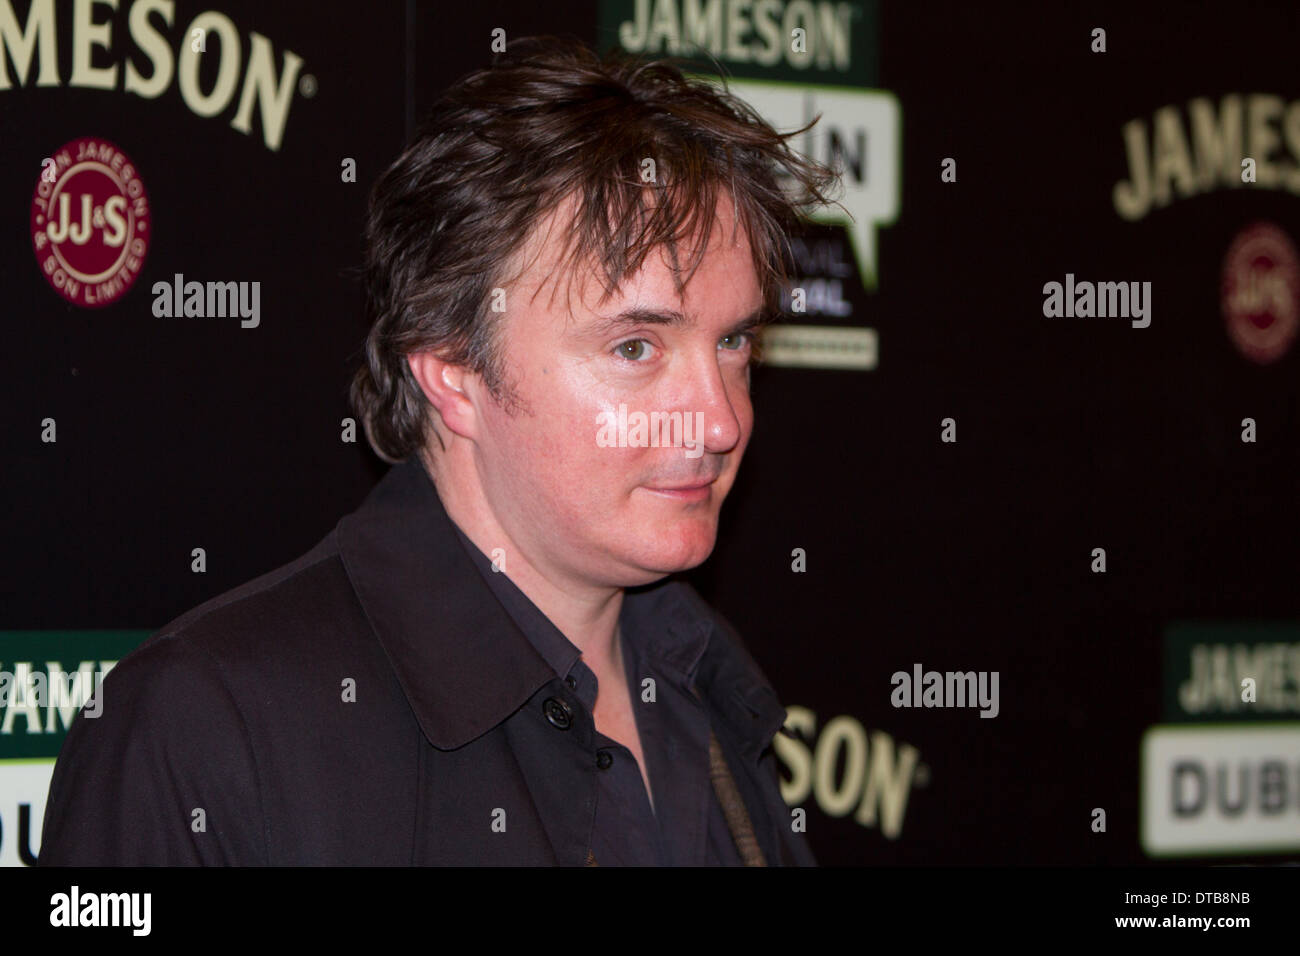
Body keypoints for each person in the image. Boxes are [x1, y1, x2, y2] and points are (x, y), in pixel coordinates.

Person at [38, 33, 841, 866]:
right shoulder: (208, 730)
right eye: (635, 347)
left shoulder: (708, 684)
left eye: (734, 342)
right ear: (453, 371)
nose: (719, 421)